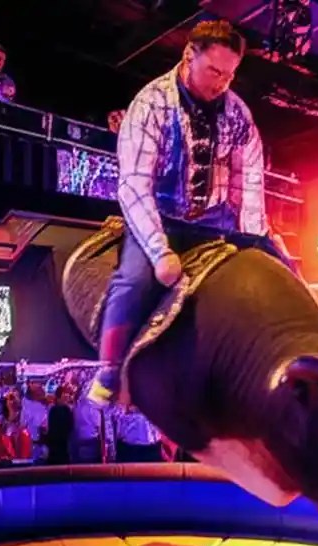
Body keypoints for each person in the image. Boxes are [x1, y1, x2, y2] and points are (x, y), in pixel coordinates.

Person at [88, 19, 292, 406]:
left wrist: (255, 237)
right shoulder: (149, 105)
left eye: (230, 75)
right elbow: (133, 185)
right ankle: (110, 369)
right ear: (188, 56)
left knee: (279, 270)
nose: (222, 83)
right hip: (160, 217)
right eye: (214, 71)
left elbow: (246, 182)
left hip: (215, 219)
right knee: (133, 282)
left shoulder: (237, 113)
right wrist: (160, 249)